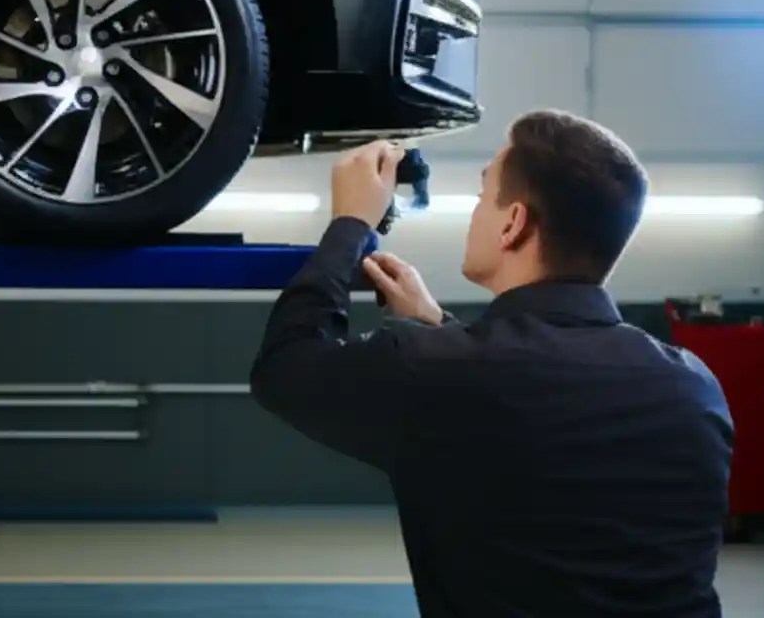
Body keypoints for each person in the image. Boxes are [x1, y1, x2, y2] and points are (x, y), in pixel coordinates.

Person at [249, 109, 735, 617]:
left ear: (514, 223)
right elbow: (530, 408)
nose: (475, 213)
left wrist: (349, 225)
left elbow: (286, 366)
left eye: (483, 197)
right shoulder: (694, 385)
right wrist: (437, 326)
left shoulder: (439, 374)